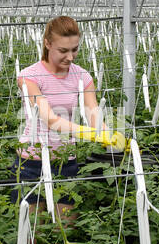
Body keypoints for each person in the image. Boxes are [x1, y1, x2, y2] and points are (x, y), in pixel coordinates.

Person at [13, 15, 123, 226]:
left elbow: (93, 113)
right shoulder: (29, 77)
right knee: (32, 232)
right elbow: (50, 119)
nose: (70, 57)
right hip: (31, 163)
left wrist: (108, 134)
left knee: (65, 231)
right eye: (63, 51)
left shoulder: (82, 76)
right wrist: (89, 134)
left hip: (66, 163)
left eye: (74, 49)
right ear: (47, 44)